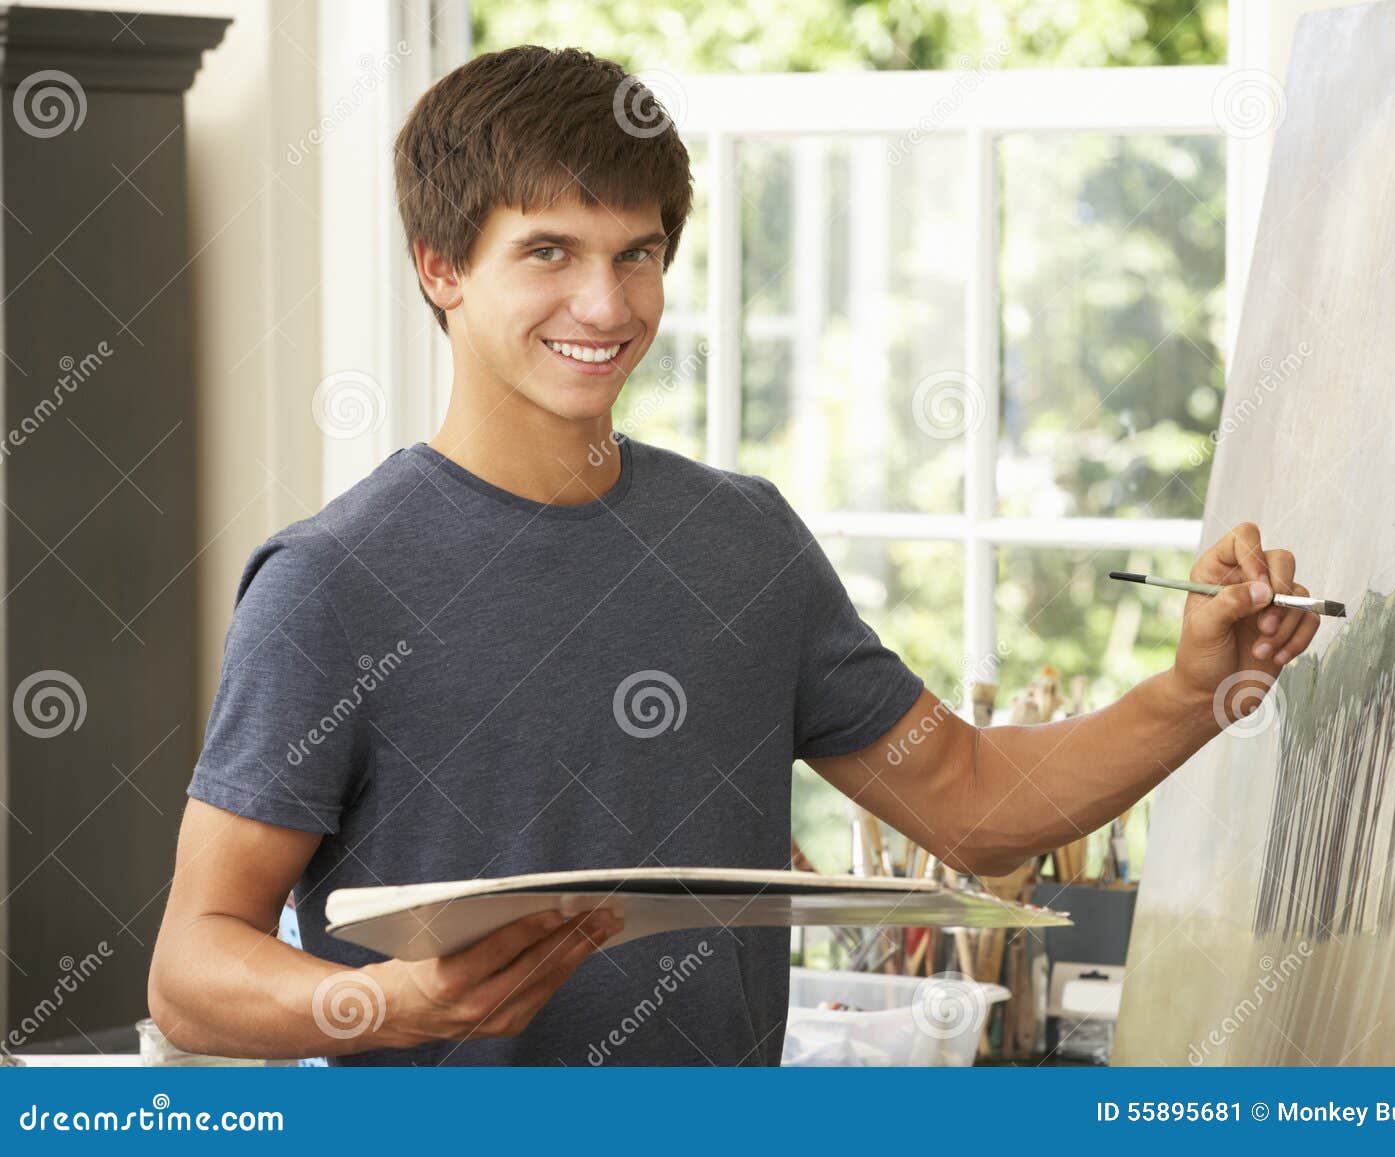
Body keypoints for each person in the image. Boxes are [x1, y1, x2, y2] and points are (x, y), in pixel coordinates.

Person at [147, 45, 1319, 1067]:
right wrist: (385, 1001)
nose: (604, 304)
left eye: (638, 254)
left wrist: (1195, 688)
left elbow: (974, 805)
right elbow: (190, 971)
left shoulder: (742, 539)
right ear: (441, 267)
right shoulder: (331, 581)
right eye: (548, 252)